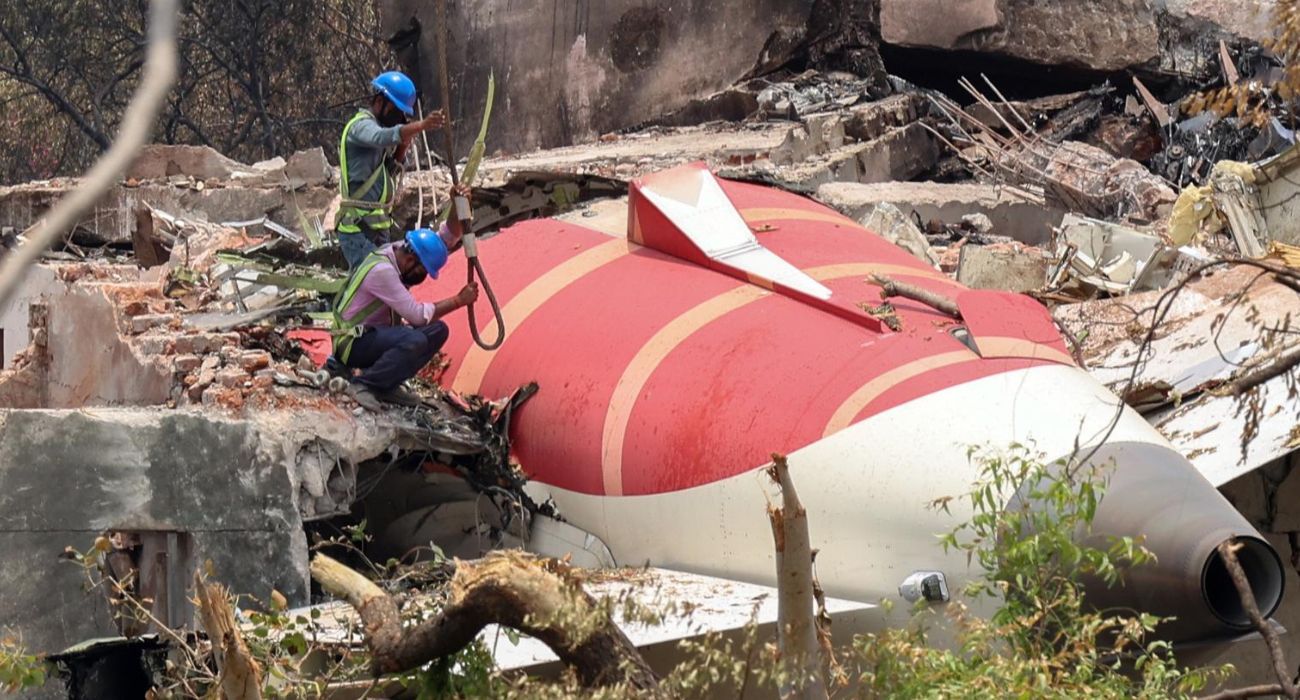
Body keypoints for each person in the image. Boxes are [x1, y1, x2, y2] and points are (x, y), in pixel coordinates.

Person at [329, 200, 478, 411]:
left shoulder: (402, 252)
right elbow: (417, 316)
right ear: (411, 261)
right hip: (351, 343)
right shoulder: (383, 271)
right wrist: (458, 301)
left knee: (438, 330)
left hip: (373, 334)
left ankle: (386, 384)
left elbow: (448, 237)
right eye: (423, 272)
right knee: (414, 339)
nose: (423, 277)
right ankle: (364, 385)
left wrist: (458, 201)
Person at [336, 70, 446, 269]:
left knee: (387, 278)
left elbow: (387, 174)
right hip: (357, 229)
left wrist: (403, 146)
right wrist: (421, 126)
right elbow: (380, 137)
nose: (399, 119)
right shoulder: (360, 127)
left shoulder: (376, 131)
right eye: (396, 111)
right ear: (380, 102)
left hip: (376, 227)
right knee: (372, 280)